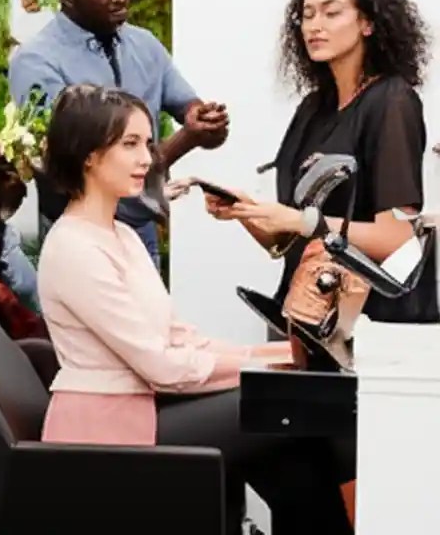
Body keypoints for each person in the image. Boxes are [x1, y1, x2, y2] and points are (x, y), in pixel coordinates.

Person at [36, 84, 352, 534]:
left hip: (143, 408)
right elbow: (162, 366)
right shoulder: (73, 247)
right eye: (130, 144)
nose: (147, 158)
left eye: (147, 143)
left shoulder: (121, 236)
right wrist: (274, 364)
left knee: (292, 440)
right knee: (290, 412)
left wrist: (275, 357)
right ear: (87, 154)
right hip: (109, 430)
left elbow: (179, 336)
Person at [205, 0, 437, 325]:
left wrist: (304, 221)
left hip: (361, 323)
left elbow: (396, 239)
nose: (315, 26)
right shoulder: (313, 108)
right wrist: (247, 213)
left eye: (331, 13)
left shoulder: (391, 101)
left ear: (368, 23)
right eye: (307, 15)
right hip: (302, 314)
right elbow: (289, 242)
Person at [8, 0, 230, 265]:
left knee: (152, 319)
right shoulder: (37, 61)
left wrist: (207, 121)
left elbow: (189, 108)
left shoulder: (144, 44)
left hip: (140, 236)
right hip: (79, 239)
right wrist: (186, 139)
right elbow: (86, 165)